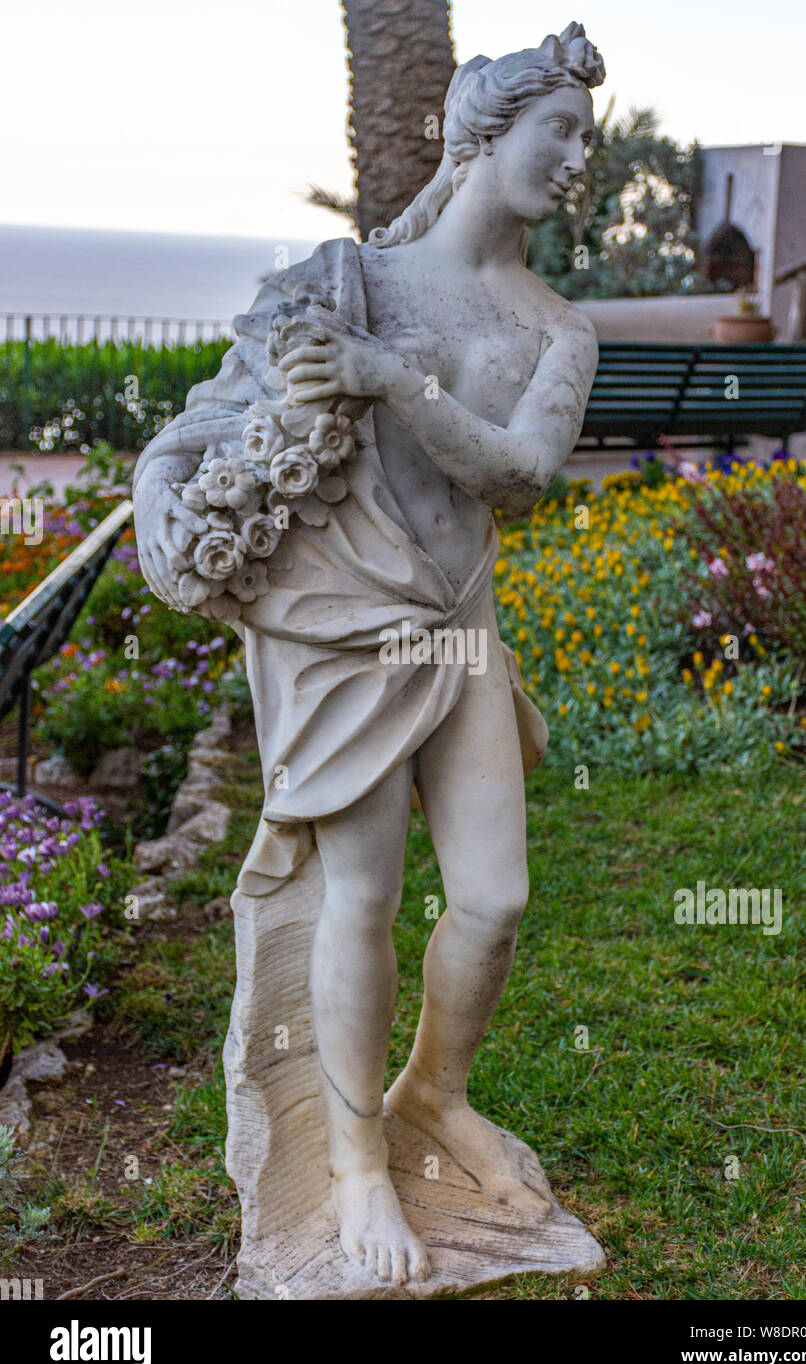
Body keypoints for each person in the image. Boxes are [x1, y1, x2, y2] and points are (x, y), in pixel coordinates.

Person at [134, 22, 604, 1286]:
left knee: (494, 899)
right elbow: (198, 431)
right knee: (366, 897)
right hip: (344, 630)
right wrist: (162, 489)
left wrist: (388, 382)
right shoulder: (346, 281)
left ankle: (431, 1097)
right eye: (556, 131)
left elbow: (520, 473)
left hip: (457, 628)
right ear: (480, 135)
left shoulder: (557, 327)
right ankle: (351, 1166)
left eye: (584, 139)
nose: (575, 160)